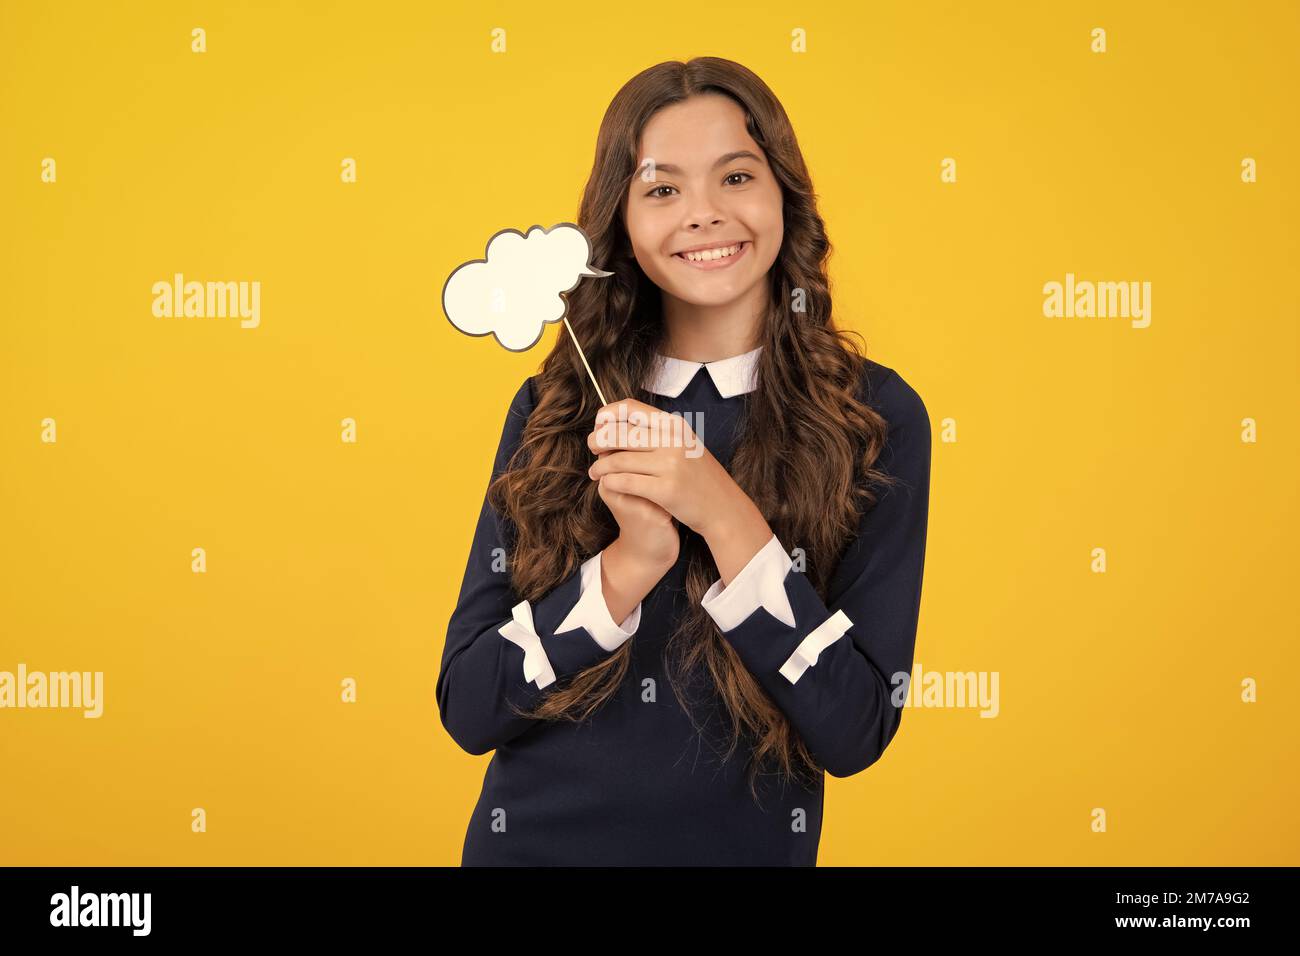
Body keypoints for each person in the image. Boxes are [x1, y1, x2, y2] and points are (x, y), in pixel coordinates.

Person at [437, 56, 931, 866]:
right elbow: (469, 706)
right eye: (663, 189)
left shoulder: (873, 418)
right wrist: (629, 565)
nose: (703, 214)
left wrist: (725, 515)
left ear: (784, 195)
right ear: (622, 223)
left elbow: (855, 728)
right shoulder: (554, 408)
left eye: (735, 176)